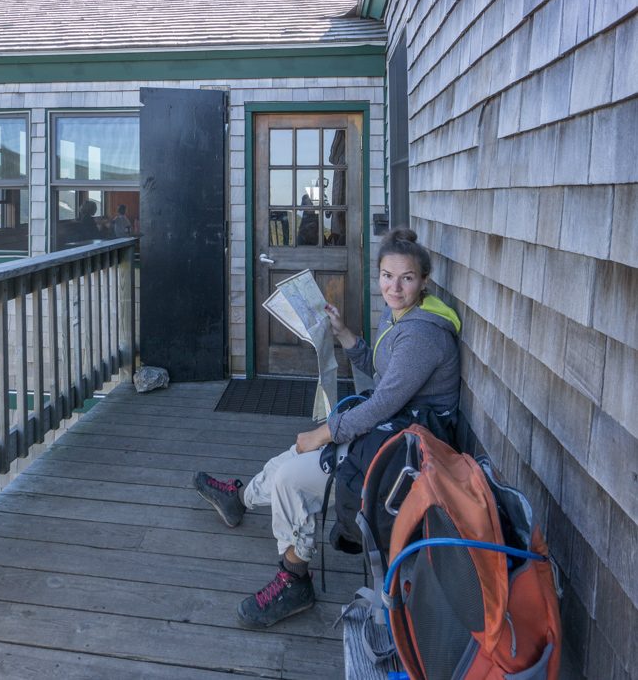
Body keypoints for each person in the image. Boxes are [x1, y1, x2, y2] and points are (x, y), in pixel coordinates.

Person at [194, 226, 461, 628]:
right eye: (387, 276)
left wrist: (324, 432)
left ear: (424, 281)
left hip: (408, 454)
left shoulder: (421, 335)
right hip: (390, 429)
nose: (394, 287)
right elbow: (383, 375)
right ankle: (241, 499)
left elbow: (383, 403)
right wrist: (345, 334)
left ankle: (295, 579)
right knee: (295, 454)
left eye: (406, 278)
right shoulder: (401, 315)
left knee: (291, 478)